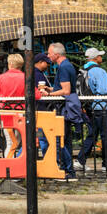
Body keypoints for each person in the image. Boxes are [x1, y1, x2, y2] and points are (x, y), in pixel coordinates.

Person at [43, 42, 81, 180]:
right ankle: (68, 170)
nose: (48, 56)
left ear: (57, 54)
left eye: (49, 53)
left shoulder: (64, 67)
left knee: (60, 140)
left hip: (62, 108)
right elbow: (62, 87)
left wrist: (48, 95)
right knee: (64, 140)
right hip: (64, 107)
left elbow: (66, 90)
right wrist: (51, 89)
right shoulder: (66, 66)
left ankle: (66, 170)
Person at [77, 47, 107, 174]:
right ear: (95, 58)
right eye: (99, 55)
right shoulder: (99, 71)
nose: (101, 57)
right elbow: (104, 90)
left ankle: (80, 160)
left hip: (92, 107)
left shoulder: (84, 70)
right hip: (103, 106)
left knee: (92, 135)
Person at [0, 53, 26, 156]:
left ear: (10, 64)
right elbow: (36, 95)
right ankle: (13, 165)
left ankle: (8, 167)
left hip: (6, 114)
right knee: (17, 142)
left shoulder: (1, 77)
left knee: (10, 142)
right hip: (20, 113)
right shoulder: (25, 77)